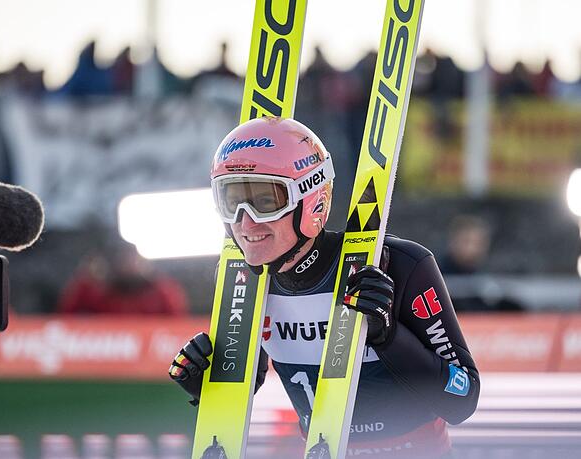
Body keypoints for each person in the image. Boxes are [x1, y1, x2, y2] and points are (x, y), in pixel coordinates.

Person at [168, 117, 479, 458]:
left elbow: (461, 399)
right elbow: (248, 377)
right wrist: (206, 383)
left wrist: (388, 336)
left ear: (310, 200)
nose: (245, 222)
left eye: (265, 201)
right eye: (231, 201)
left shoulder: (398, 264)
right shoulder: (243, 278)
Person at [58, 239, 189, 316]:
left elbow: (177, 322)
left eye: (133, 258)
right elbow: (69, 317)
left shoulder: (159, 292)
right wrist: (86, 276)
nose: (128, 264)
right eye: (124, 258)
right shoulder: (101, 294)